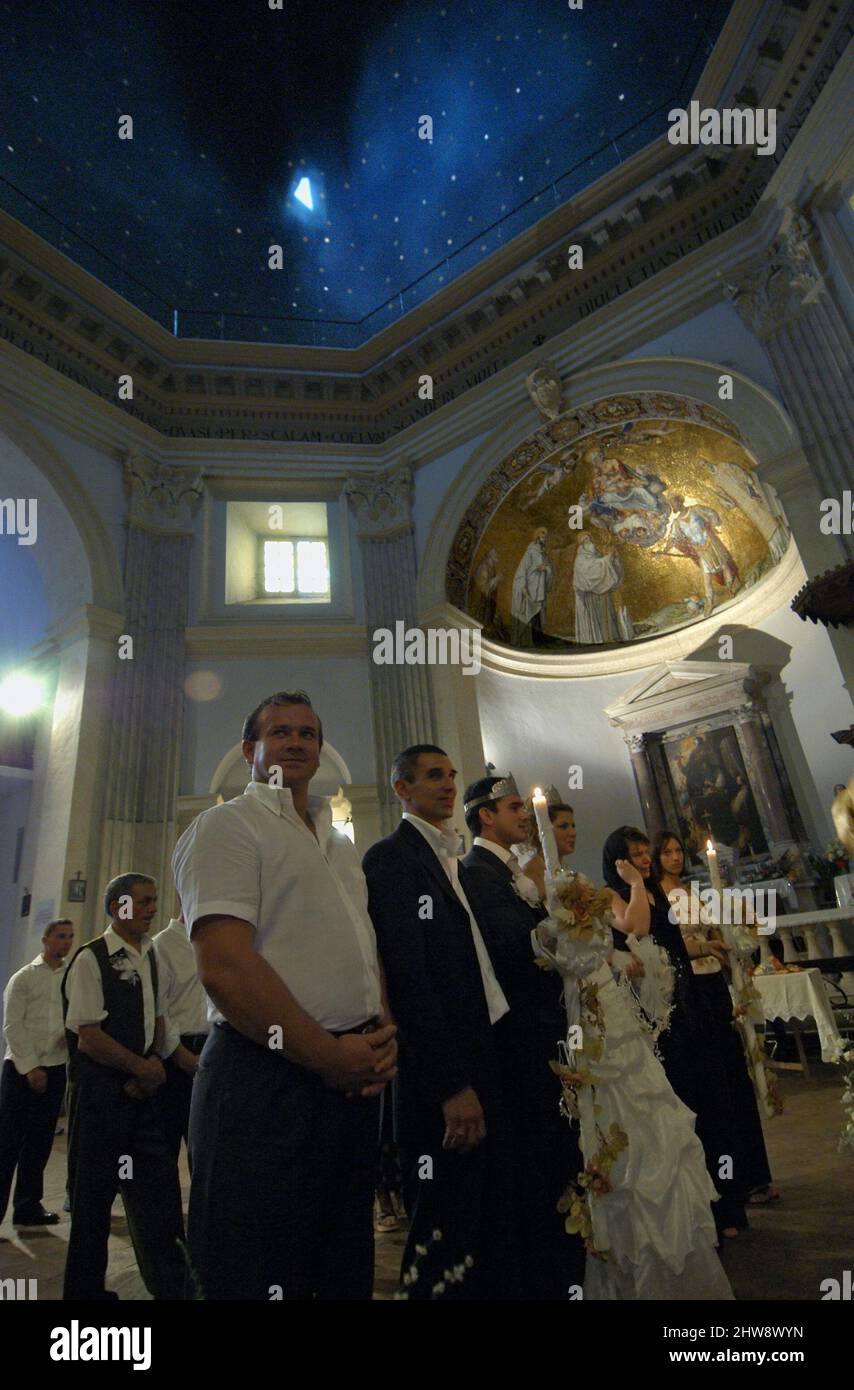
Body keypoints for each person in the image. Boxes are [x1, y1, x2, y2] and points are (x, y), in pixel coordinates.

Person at [172, 689, 396, 1301]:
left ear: (320, 751)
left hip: (350, 1078)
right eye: (279, 732)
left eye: (307, 733)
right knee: (253, 1264)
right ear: (250, 750)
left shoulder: (339, 841)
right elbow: (225, 966)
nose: (296, 742)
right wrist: (326, 1054)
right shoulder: (224, 827)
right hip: (262, 1077)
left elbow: (362, 944)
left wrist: (381, 1032)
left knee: (338, 1258)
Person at [362, 744, 514, 1300]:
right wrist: (451, 1084)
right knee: (442, 1221)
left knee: (477, 1212)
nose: (448, 785)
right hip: (440, 1073)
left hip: (482, 1047)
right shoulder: (392, 858)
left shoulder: (450, 859)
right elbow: (410, 981)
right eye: (433, 776)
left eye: (451, 776)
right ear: (402, 788)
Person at [460, 773, 585, 1299]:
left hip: (550, 1029)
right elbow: (508, 948)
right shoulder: (478, 871)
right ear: (486, 815)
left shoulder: (519, 870)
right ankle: (544, 1272)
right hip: (522, 1037)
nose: (522, 816)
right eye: (514, 807)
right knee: (535, 1155)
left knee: (561, 1148)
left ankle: (568, 1258)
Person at [602, 825, 748, 1239]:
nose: (645, 861)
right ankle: (696, 1210)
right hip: (655, 1015)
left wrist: (705, 947)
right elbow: (640, 930)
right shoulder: (612, 894)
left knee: (711, 1099)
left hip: (687, 1003)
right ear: (618, 860)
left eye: (647, 853)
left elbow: (672, 945)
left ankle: (727, 1204)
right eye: (637, 854)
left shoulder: (656, 891)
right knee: (680, 1105)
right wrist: (633, 885)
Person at [61, 874, 185, 1301]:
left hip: (142, 1096)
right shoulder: (89, 959)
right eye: (144, 901)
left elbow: (160, 1016)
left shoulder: (150, 955)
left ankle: (172, 1284)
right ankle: (83, 1294)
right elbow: (88, 1034)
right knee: (93, 1199)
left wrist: (163, 1061)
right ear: (119, 907)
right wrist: (139, 1067)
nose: (152, 908)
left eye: (154, 901)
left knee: (159, 1193)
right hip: (101, 1100)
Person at [653, 830, 779, 1207]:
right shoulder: (659, 897)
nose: (675, 857)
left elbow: (713, 931)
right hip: (691, 990)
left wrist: (733, 932)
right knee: (716, 1087)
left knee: (735, 1078)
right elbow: (670, 946)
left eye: (678, 851)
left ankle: (755, 1175)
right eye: (667, 852)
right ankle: (731, 1183)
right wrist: (705, 945)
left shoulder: (692, 892)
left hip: (715, 985)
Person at [0, 918, 75, 1228]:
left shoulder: (71, 978)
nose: (66, 943)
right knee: (7, 1143)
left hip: (55, 1067)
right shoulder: (24, 978)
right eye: (60, 936)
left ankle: (28, 1206)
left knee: (40, 1141)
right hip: (19, 1069)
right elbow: (12, 1026)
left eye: (70, 937)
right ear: (45, 940)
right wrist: (31, 1067)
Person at [152, 911, 209, 1162]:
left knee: (205, 1147)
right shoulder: (162, 944)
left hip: (210, 1047)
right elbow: (158, 1008)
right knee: (165, 1145)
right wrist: (178, 1053)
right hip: (175, 1051)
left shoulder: (214, 940)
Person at [510, 527, 552, 647]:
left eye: (546, 534)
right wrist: (523, 586)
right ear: (537, 535)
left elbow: (548, 568)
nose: (544, 536)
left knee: (539, 613)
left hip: (540, 587)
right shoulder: (530, 551)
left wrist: (547, 569)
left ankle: (538, 639)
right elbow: (523, 569)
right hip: (531, 586)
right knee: (531, 612)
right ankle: (530, 640)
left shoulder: (544, 553)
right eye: (542, 533)